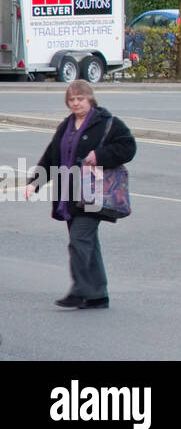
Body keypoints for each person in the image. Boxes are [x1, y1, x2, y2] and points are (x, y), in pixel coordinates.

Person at [24, 80, 136, 309]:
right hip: (69, 195)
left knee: (79, 240)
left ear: (90, 99)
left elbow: (128, 147)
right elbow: (50, 156)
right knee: (88, 243)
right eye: (71, 100)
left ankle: (80, 290)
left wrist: (101, 155)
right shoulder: (66, 125)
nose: (76, 103)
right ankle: (97, 294)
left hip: (93, 194)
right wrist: (34, 183)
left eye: (80, 99)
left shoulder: (107, 122)